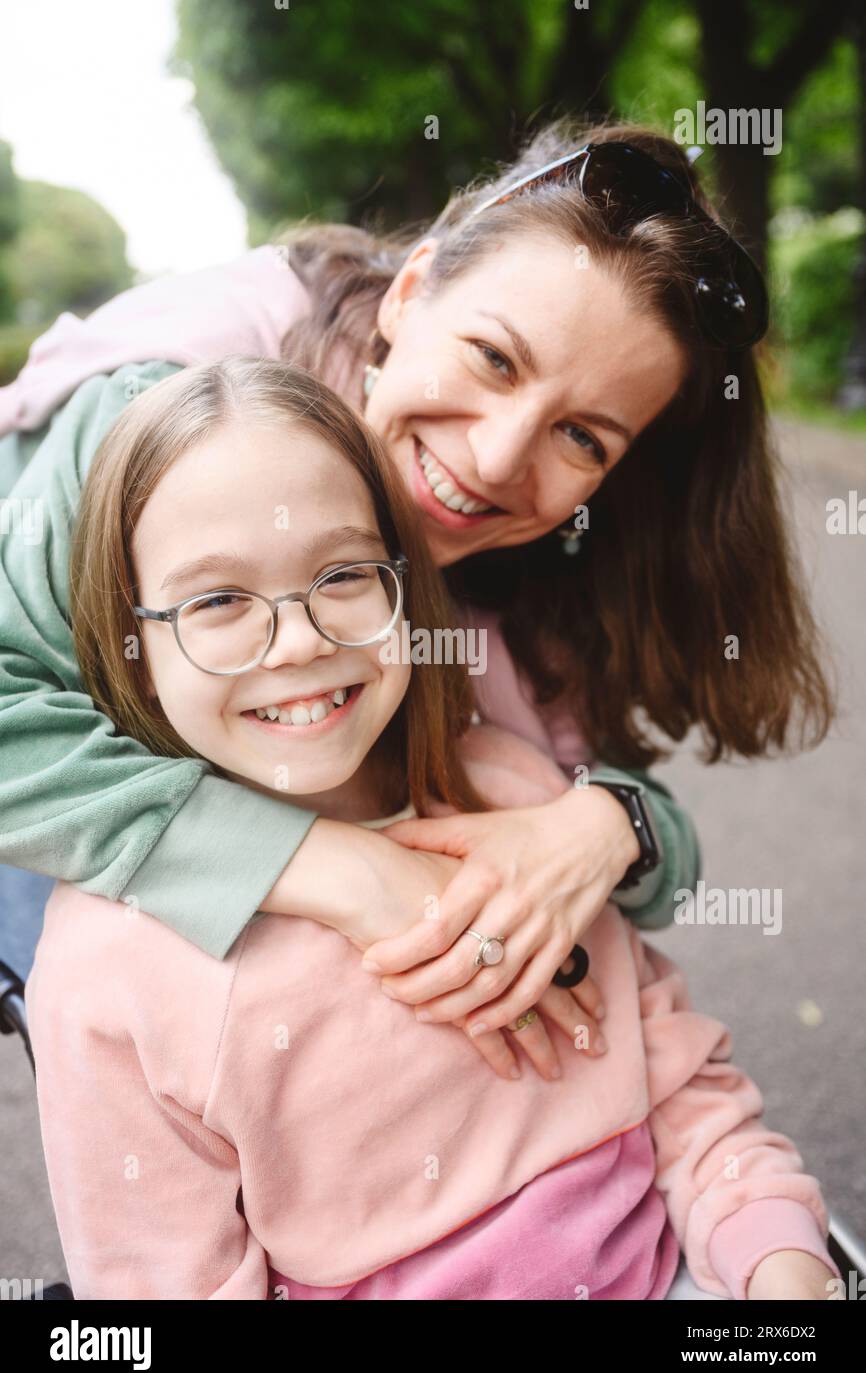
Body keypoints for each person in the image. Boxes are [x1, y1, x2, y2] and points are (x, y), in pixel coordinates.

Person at [0, 119, 834, 1063]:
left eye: (584, 438)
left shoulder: (536, 555)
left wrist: (605, 827)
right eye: (493, 358)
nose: (495, 456)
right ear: (407, 294)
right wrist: (338, 871)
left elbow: (639, 819)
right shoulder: (157, 431)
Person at [26, 358, 840, 1301]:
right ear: (124, 637)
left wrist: (783, 1275)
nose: (298, 641)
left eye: (343, 574)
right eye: (216, 601)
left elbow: (689, 1106)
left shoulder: (513, 793)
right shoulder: (106, 979)